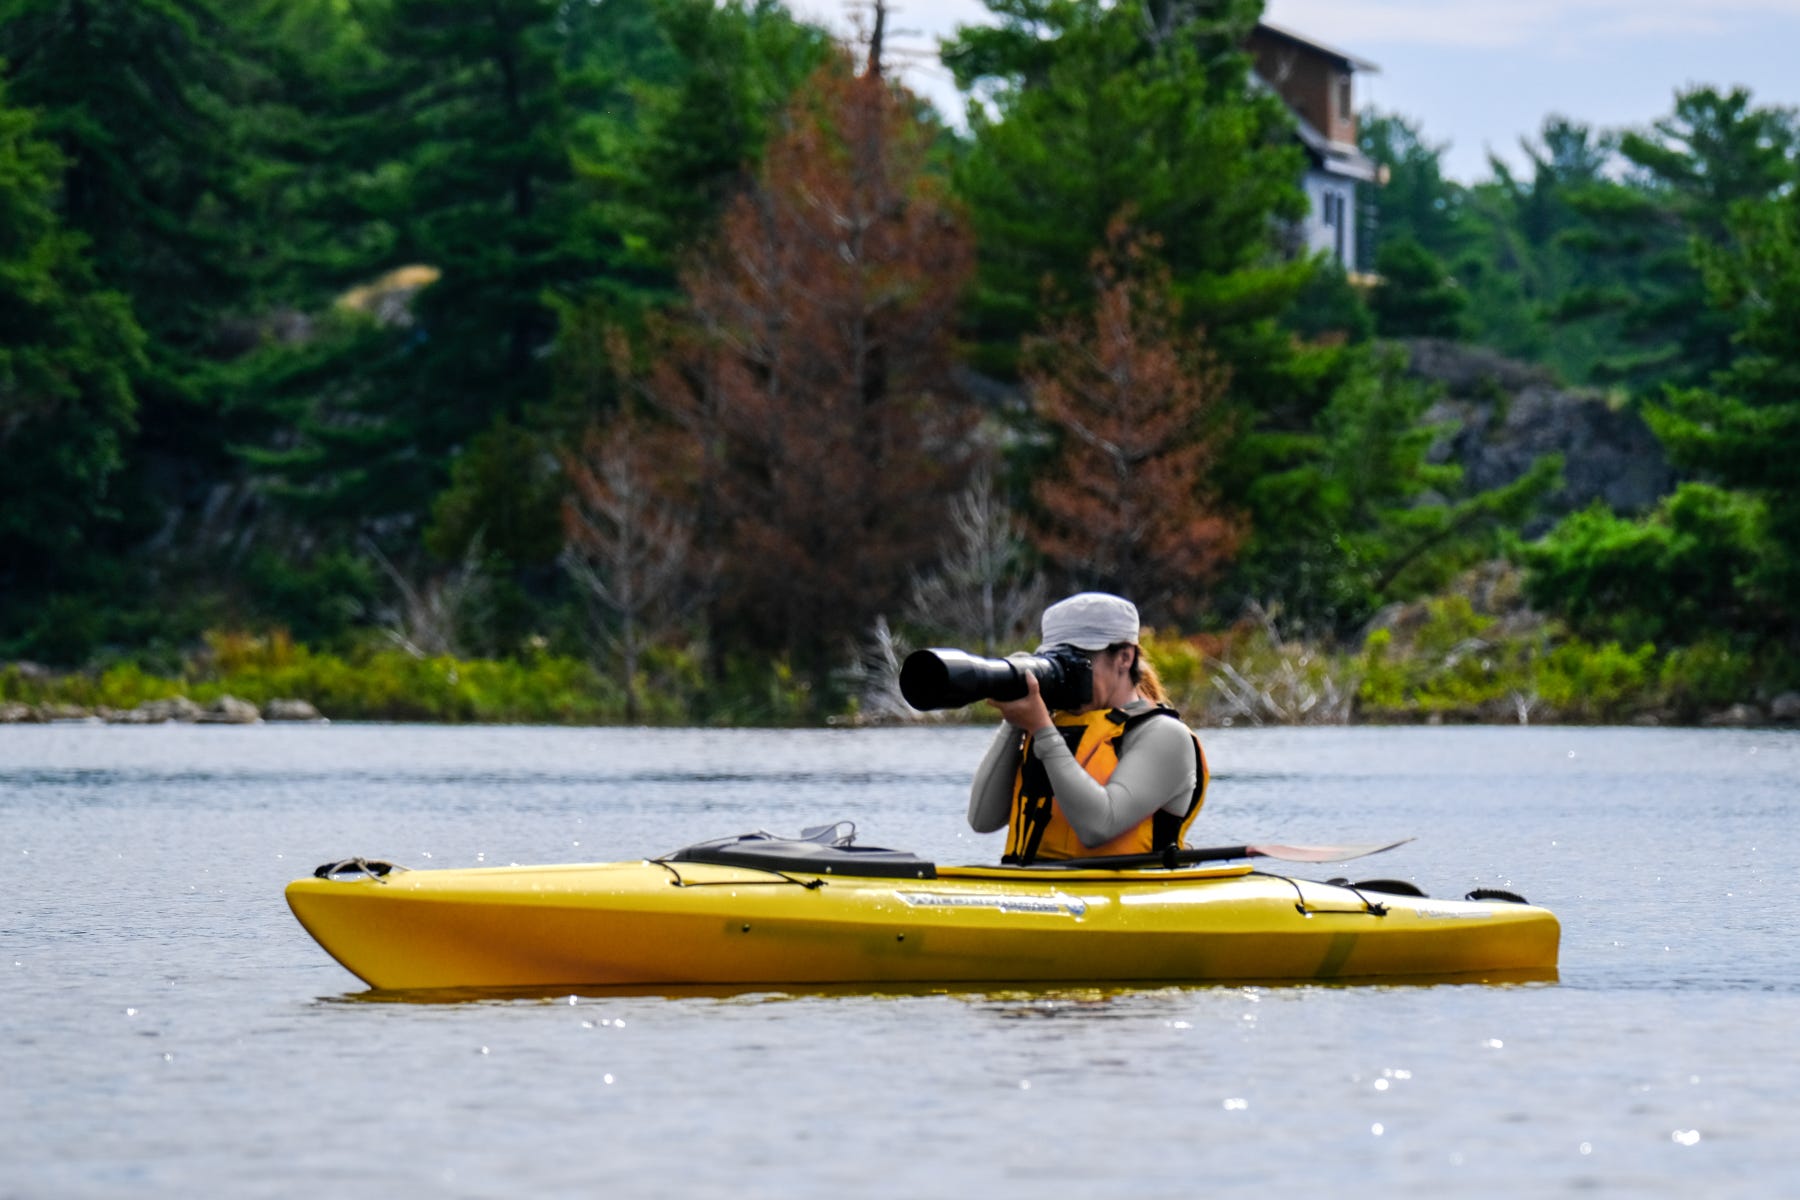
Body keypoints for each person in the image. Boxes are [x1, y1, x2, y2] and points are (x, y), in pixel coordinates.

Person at [968, 592, 1208, 864]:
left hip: (1126, 897)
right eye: (1057, 663)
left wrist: (1043, 729)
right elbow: (982, 820)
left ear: (1124, 658)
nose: (1067, 676)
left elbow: (1099, 826)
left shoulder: (1164, 735)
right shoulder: (1051, 724)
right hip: (1039, 892)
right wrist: (1014, 722)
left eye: (1077, 663)